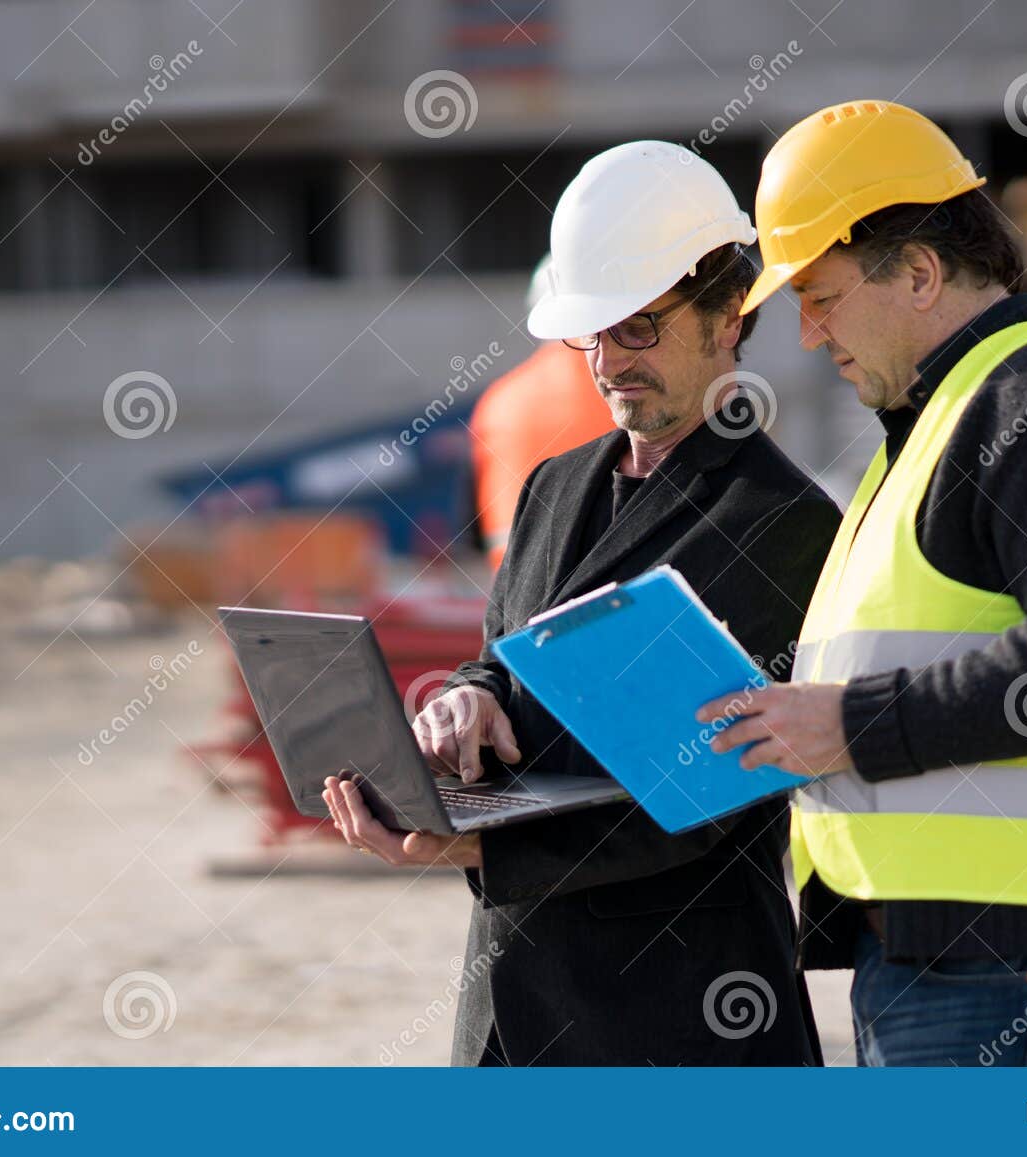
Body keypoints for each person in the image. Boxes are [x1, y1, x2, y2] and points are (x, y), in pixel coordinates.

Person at [326, 140, 840, 1065]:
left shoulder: (783, 520)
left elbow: (707, 794)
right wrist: (471, 693)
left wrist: (477, 854)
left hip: (680, 1018)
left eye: (637, 327)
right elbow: (507, 652)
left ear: (728, 313)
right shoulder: (553, 486)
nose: (606, 362)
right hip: (511, 1010)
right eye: (590, 333)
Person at [701, 100, 1027, 1067]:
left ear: (921, 272)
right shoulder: (937, 427)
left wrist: (848, 724)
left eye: (822, 296)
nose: (806, 335)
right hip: (956, 952)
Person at [469, 257, 615, 571]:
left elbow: (475, 525)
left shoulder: (499, 400)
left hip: (514, 589)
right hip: (607, 585)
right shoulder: (622, 383)